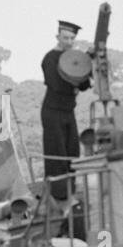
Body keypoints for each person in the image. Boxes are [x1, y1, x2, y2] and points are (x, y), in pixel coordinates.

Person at [40, 19, 90, 203]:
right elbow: (56, 84)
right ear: (58, 37)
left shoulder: (74, 58)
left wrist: (86, 61)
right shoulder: (50, 58)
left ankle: (71, 192)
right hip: (52, 111)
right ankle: (57, 196)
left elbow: (84, 84)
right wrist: (74, 82)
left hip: (68, 111)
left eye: (72, 38)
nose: (69, 42)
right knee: (56, 152)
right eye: (65, 38)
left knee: (72, 150)